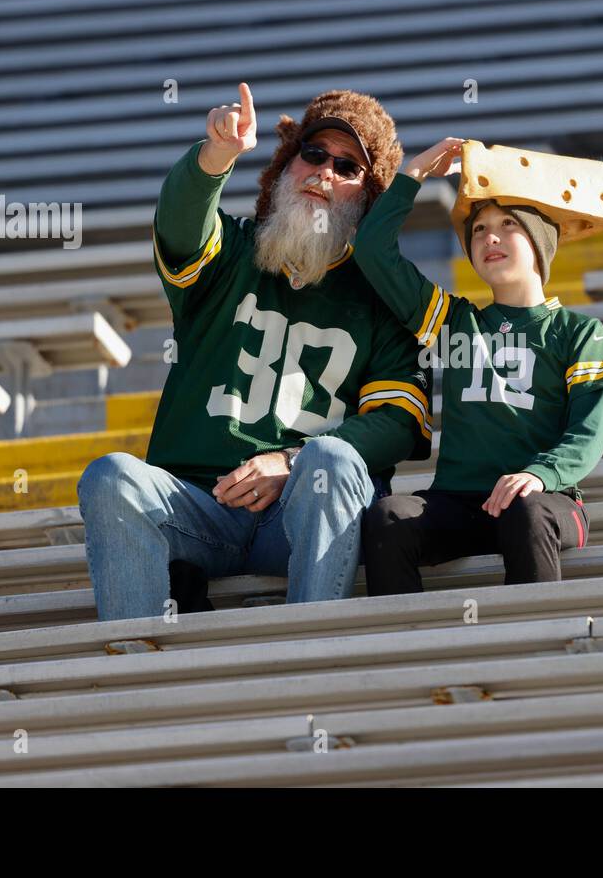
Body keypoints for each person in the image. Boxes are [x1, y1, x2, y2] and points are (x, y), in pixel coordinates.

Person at [77, 84, 432, 620]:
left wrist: (291, 463)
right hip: (199, 508)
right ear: (285, 166)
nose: (324, 172)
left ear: (369, 199)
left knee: (331, 461)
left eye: (347, 167)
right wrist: (215, 155)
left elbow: (397, 422)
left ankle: (309, 653)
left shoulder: (386, 296)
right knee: (110, 478)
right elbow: (179, 226)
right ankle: (135, 671)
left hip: (303, 512)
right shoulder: (233, 251)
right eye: (312, 154)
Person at [355, 137, 603, 594]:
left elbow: (588, 432)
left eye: (507, 224)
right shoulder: (455, 323)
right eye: (478, 229)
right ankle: (404, 652)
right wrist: (413, 174)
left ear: (540, 241)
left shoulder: (579, 332)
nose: (489, 237)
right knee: (388, 516)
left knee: (526, 509)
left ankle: (537, 649)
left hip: (546, 501)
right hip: (459, 505)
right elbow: (372, 252)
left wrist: (540, 474)